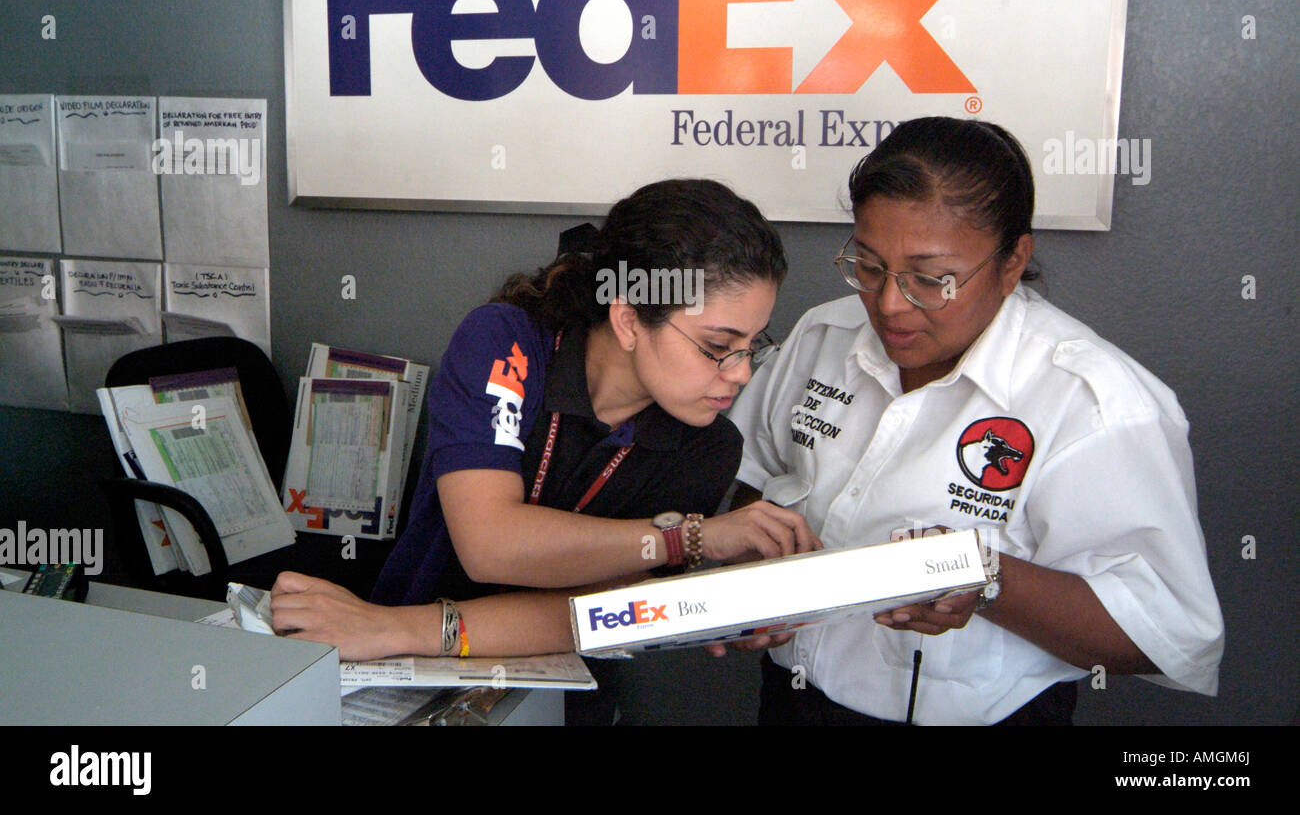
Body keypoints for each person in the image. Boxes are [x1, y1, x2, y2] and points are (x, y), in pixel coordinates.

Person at [725, 117, 1224, 725]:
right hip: (791, 699)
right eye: (870, 265)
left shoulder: (1091, 403)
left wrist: (984, 579)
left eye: (932, 279)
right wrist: (749, 570)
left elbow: (1165, 632)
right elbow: (752, 482)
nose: (888, 304)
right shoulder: (823, 336)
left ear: (1013, 261)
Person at [271, 178, 819, 718]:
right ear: (628, 319)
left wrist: (705, 575)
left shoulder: (709, 445)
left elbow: (604, 613)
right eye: (719, 346)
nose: (742, 372)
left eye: (755, 344)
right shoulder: (508, 342)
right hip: (401, 670)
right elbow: (489, 543)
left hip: (549, 688)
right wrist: (691, 537)